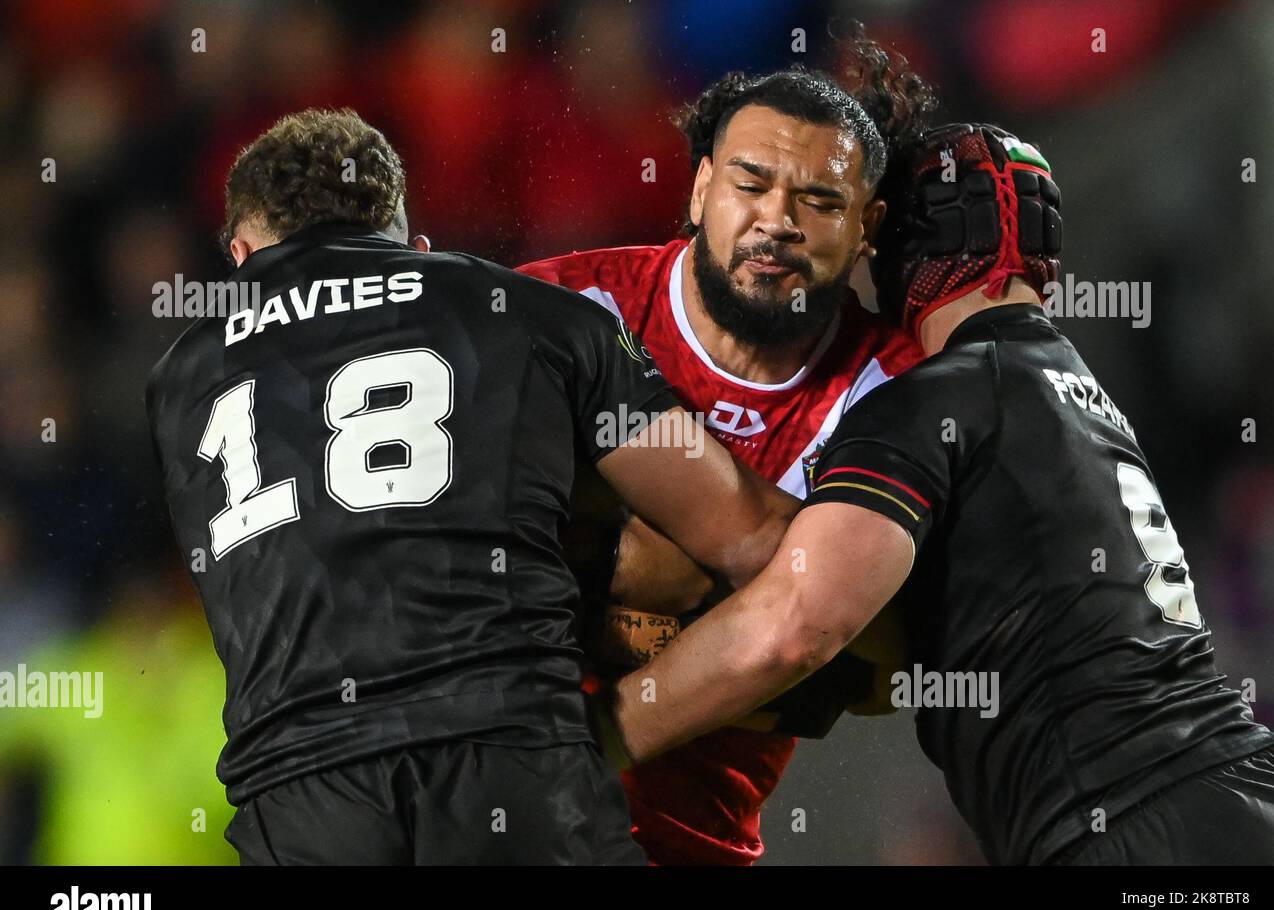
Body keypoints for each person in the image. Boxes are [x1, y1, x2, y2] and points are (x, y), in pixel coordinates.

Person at [600, 122, 1274, 865]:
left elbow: (793, 624)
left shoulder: (938, 398)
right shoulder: (1081, 396)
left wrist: (589, 742)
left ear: (900, 251)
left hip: (1141, 829)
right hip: (1255, 796)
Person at [145, 108, 795, 865]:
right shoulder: (533, 313)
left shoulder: (177, 383)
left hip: (302, 793)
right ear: (414, 245)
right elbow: (745, 535)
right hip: (508, 757)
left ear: (241, 255)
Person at [517, 37, 934, 865]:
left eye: (818, 199)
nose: (776, 219)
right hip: (485, 829)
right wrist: (748, 604)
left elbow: (900, 666)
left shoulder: (901, 392)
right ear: (702, 187)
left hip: (689, 845)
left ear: (868, 227)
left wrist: (615, 554)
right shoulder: (565, 308)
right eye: (750, 182)